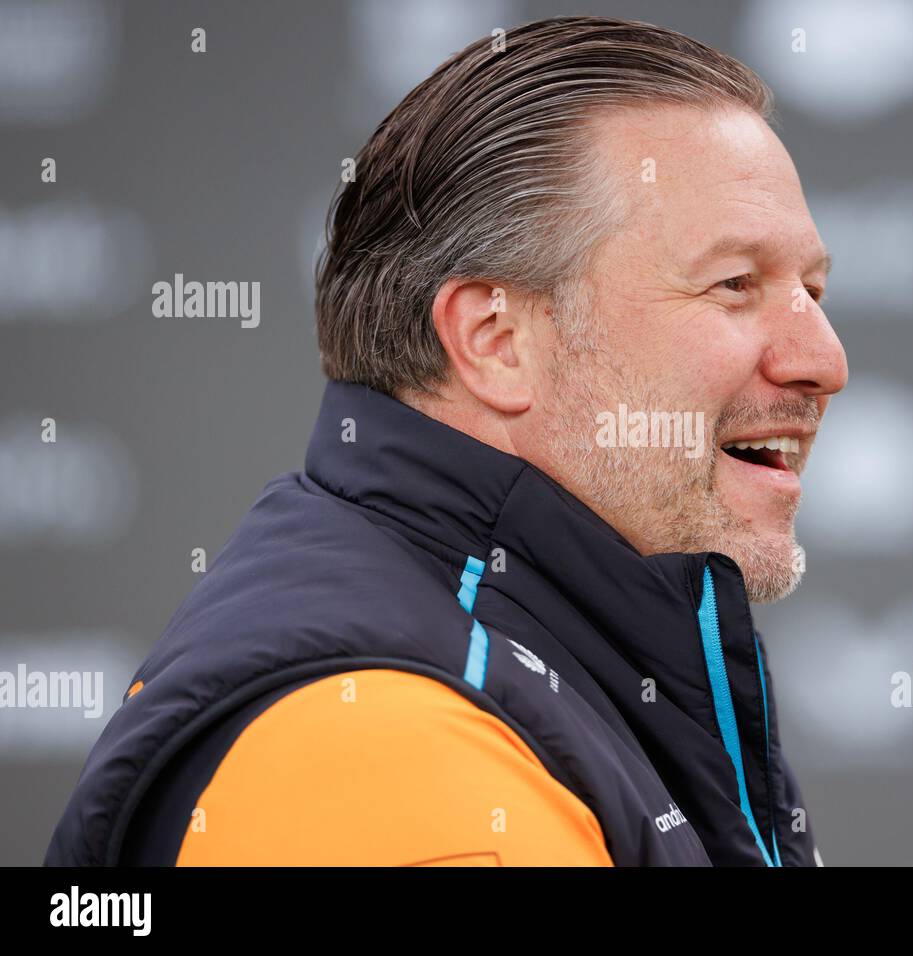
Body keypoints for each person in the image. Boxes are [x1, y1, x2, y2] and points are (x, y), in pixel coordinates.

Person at [46, 14, 846, 867]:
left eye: (813, 290)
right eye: (734, 285)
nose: (823, 361)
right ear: (495, 341)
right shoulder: (376, 742)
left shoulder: (550, 665)